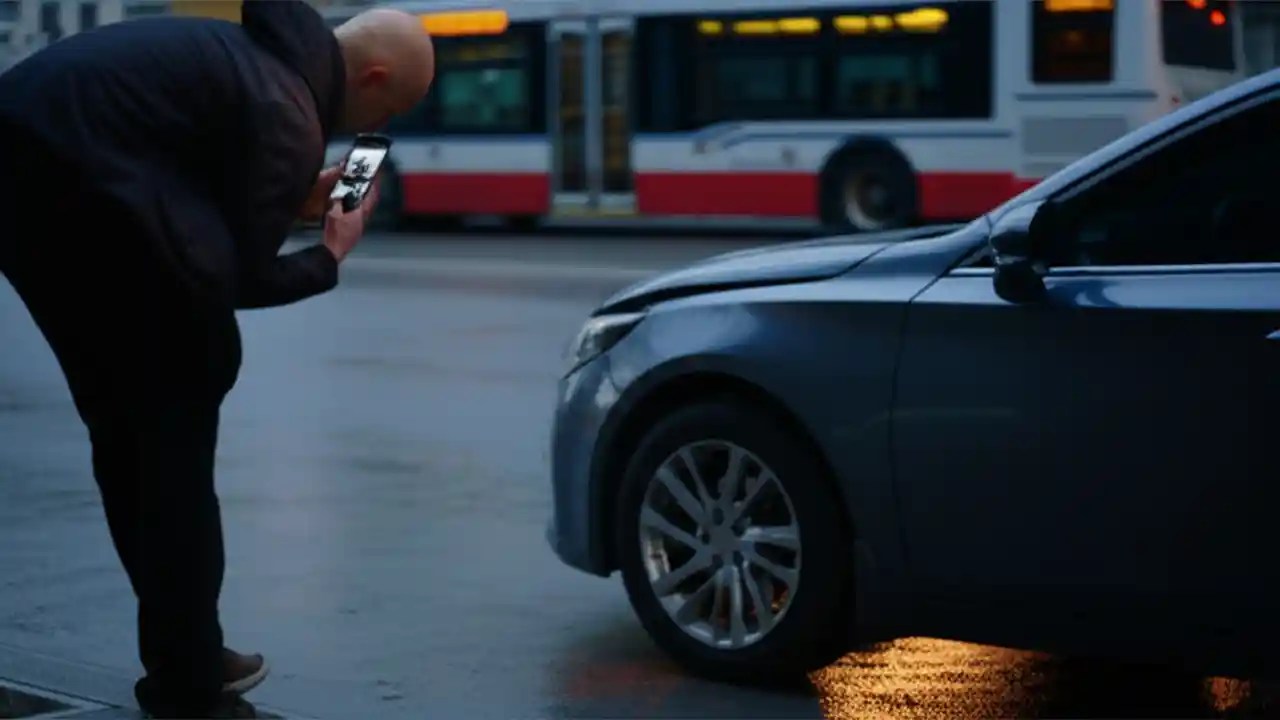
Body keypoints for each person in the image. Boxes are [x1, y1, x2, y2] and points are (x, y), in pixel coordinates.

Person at [0, 1, 434, 717]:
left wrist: (293, 198)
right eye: (390, 110)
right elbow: (237, 279)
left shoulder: (251, 61)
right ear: (376, 75)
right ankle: (190, 683)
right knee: (178, 422)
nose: (372, 135)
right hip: (69, 196)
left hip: (37, 190)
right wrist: (329, 252)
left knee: (131, 435)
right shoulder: (286, 112)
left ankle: (186, 654)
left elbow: (190, 193)